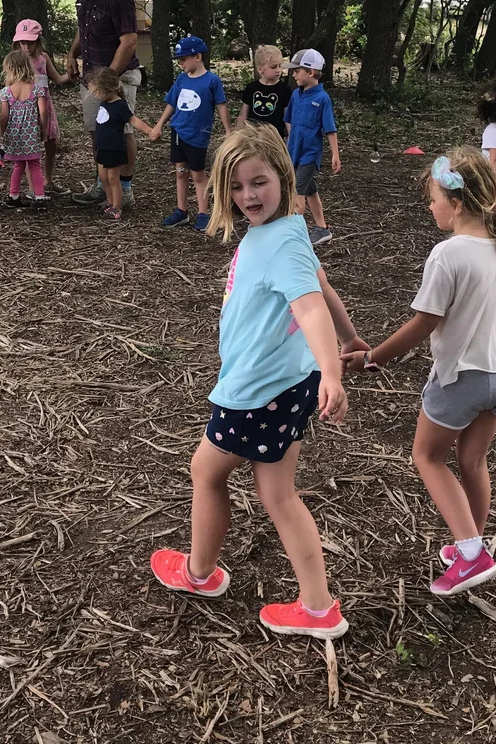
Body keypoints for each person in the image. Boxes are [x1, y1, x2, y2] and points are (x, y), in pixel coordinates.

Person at [150, 124, 369, 639]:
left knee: (205, 471)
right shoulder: (290, 229)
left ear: (284, 179)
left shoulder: (280, 244)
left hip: (256, 392)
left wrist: (334, 368)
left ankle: (199, 574)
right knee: (278, 494)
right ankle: (318, 607)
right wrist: (352, 337)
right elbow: (322, 285)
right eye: (237, 185)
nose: (248, 195)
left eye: (259, 182)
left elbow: (310, 306)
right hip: (290, 383)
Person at [343, 148, 496, 596]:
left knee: (427, 457)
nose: (430, 206)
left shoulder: (448, 254)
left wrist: (373, 357)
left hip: (463, 376)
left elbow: (424, 323)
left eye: (435, 198)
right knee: (473, 459)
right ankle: (471, 544)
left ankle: (470, 552)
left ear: (457, 203)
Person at [49, 0, 142, 209]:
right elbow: (84, 28)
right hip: (91, 76)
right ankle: (103, 183)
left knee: (122, 130)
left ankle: (124, 187)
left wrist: (110, 80)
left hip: (118, 78)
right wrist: (71, 54)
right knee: (98, 131)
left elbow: (129, 42)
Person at [152, 36, 232, 231]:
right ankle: (181, 211)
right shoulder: (181, 79)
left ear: (197, 56)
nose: (181, 64)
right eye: (179, 60)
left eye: (183, 59)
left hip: (197, 136)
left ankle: (203, 213)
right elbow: (172, 103)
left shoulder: (212, 81)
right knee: (181, 172)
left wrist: (228, 131)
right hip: (178, 132)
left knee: (197, 175)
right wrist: (159, 125)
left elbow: (221, 105)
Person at [283, 48, 341, 246]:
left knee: (297, 196)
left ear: (311, 72)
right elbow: (288, 119)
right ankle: (322, 228)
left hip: (310, 155)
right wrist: (291, 140)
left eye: (297, 71)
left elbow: (330, 129)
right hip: (294, 153)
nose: (293, 74)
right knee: (311, 191)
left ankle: (293, 237)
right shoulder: (296, 95)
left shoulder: (322, 98)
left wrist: (335, 154)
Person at [13, 19, 73, 197]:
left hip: (46, 108)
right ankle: (34, 188)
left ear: (38, 40)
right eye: (23, 43)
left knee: (51, 144)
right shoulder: (16, 62)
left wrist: (71, 74)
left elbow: (58, 79)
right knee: (31, 148)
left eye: (30, 42)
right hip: (26, 111)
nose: (26, 47)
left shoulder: (43, 59)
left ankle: (47, 181)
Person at [88, 68, 157, 221]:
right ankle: (110, 201)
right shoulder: (104, 103)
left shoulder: (119, 105)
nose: (94, 95)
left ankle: (116, 207)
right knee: (103, 177)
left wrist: (149, 131)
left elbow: (133, 120)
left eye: (96, 91)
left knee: (113, 178)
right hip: (102, 147)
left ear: (107, 89)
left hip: (114, 148)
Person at [0, 50, 49, 208]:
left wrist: (3, 130)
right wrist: (43, 128)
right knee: (34, 164)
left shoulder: (6, 92)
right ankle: (39, 196)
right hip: (31, 133)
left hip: (14, 134)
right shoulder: (36, 90)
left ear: (10, 69)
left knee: (18, 165)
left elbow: (4, 115)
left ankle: (13, 195)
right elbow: (43, 112)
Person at [237, 44, 293, 138]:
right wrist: (238, 134)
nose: (278, 70)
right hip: (253, 136)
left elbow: (288, 117)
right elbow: (243, 115)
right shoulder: (251, 88)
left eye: (280, 66)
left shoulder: (284, 89)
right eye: (273, 67)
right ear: (260, 69)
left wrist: (292, 138)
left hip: (275, 138)